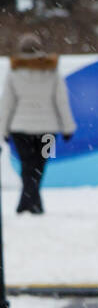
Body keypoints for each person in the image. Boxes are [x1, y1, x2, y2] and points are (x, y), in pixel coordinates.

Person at [1, 34, 77, 214]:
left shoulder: (14, 73)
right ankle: (33, 205)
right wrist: (68, 127)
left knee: (27, 167)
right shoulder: (52, 71)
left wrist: (2, 130)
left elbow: (7, 105)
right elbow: (61, 101)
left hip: (20, 130)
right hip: (49, 131)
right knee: (39, 167)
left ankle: (27, 205)